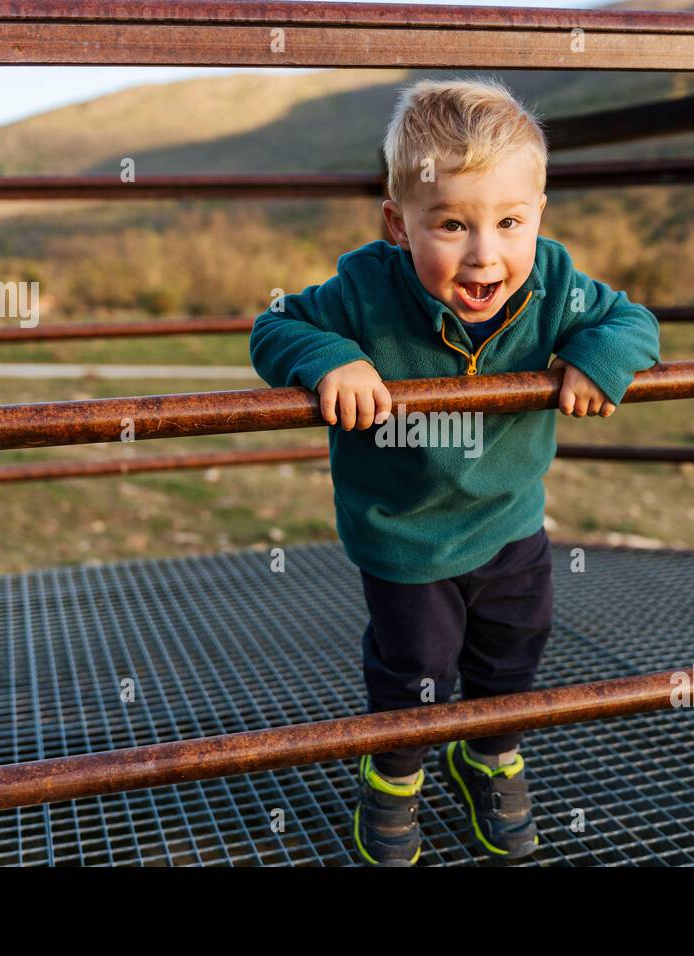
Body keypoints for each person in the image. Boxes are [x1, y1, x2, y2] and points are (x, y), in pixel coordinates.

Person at [249, 76, 661, 865]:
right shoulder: (366, 288)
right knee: (416, 669)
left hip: (510, 523)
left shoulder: (554, 283)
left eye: (510, 222)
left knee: (516, 653)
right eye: (451, 225)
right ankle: (396, 773)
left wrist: (597, 354)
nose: (484, 254)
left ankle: (489, 754)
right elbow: (276, 325)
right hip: (405, 537)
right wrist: (331, 356)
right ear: (398, 225)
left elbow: (630, 318)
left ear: (539, 214)